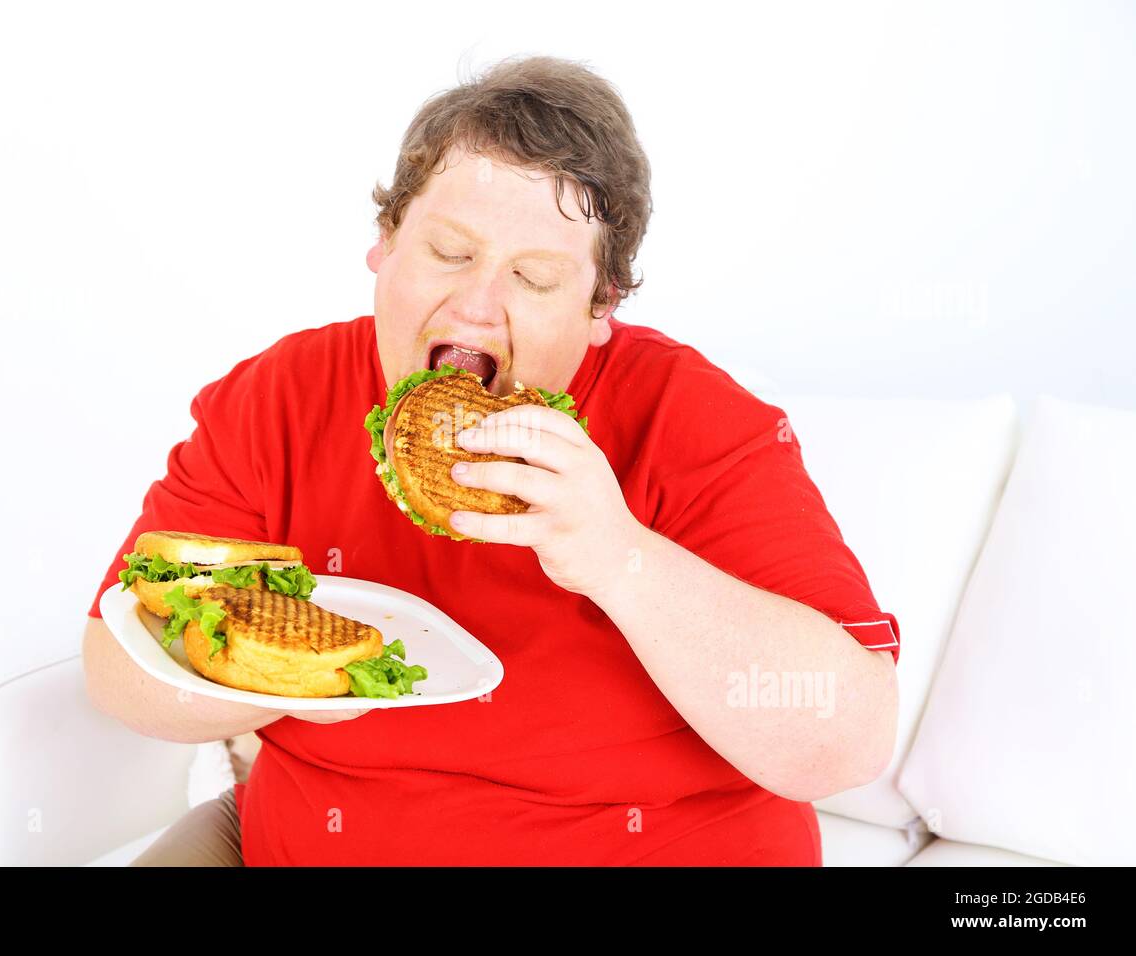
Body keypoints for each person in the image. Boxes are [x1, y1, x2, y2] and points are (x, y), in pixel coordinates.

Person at [82, 54, 900, 867]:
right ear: (385, 242)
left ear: (600, 305)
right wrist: (283, 679)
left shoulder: (696, 421)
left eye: (534, 278)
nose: (477, 306)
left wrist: (620, 560)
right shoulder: (277, 398)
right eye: (448, 252)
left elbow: (847, 743)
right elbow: (118, 665)